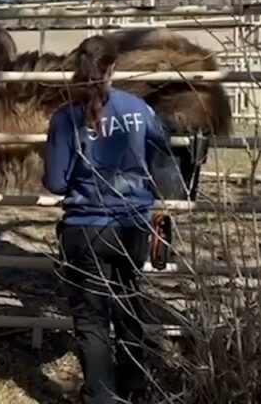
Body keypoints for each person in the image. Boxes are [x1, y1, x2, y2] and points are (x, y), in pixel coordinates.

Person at [41, 35, 171, 404]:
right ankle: (135, 387)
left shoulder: (65, 118)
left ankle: (100, 396)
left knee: (92, 320)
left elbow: (55, 182)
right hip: (132, 225)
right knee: (128, 306)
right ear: (113, 67)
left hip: (87, 228)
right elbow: (162, 161)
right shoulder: (140, 109)